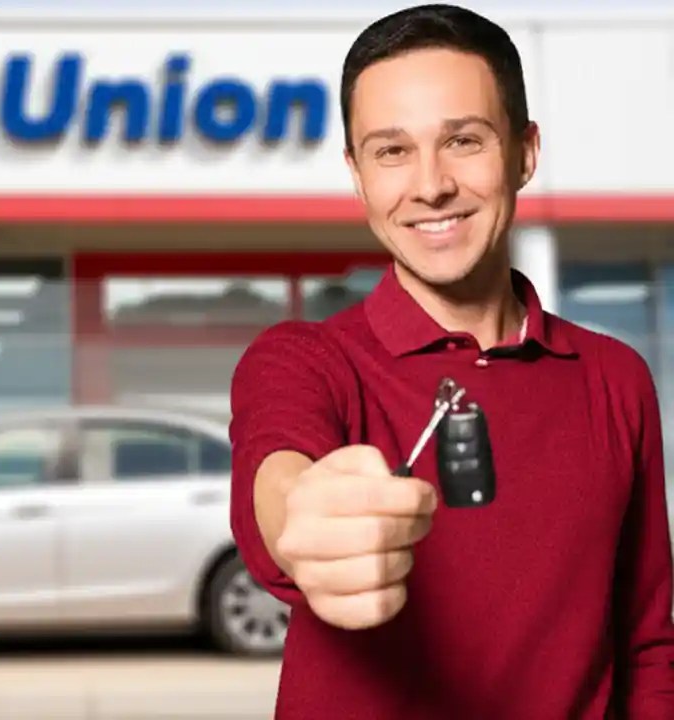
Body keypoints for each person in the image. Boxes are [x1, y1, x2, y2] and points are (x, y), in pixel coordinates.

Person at [229, 4, 674, 718]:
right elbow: (279, 479)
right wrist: (304, 524)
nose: (430, 185)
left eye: (463, 141)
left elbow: (647, 645)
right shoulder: (304, 361)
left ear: (525, 152)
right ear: (356, 174)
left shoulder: (615, 379)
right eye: (391, 151)